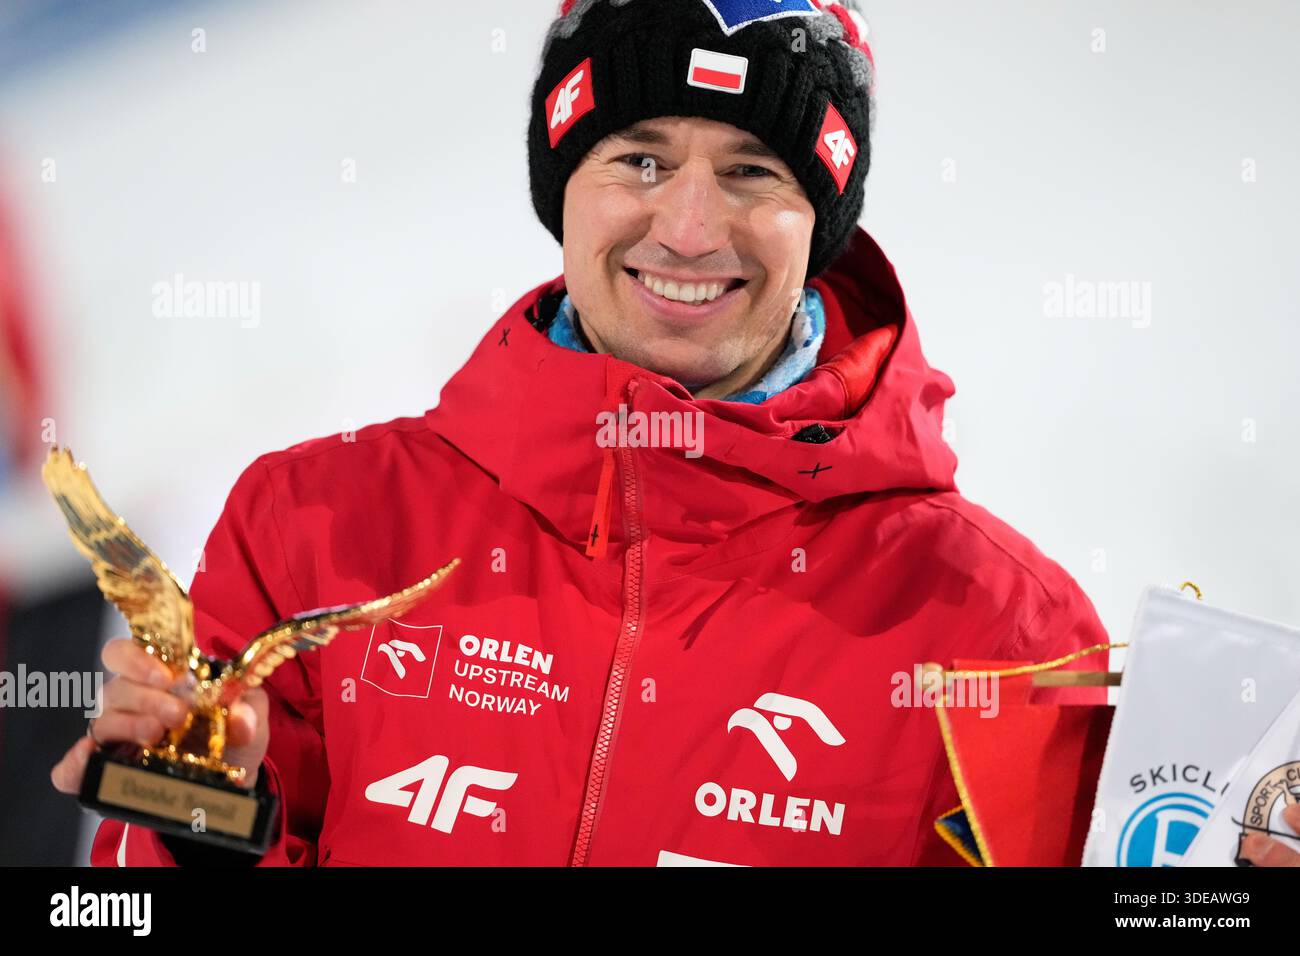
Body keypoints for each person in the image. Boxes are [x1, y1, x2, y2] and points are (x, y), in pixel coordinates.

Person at [53, 0, 1295, 867]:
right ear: (561, 188)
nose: (690, 228)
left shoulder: (999, 629)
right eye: (638, 159)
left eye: (755, 170)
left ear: (825, 220)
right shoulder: (313, 524)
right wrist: (200, 807)